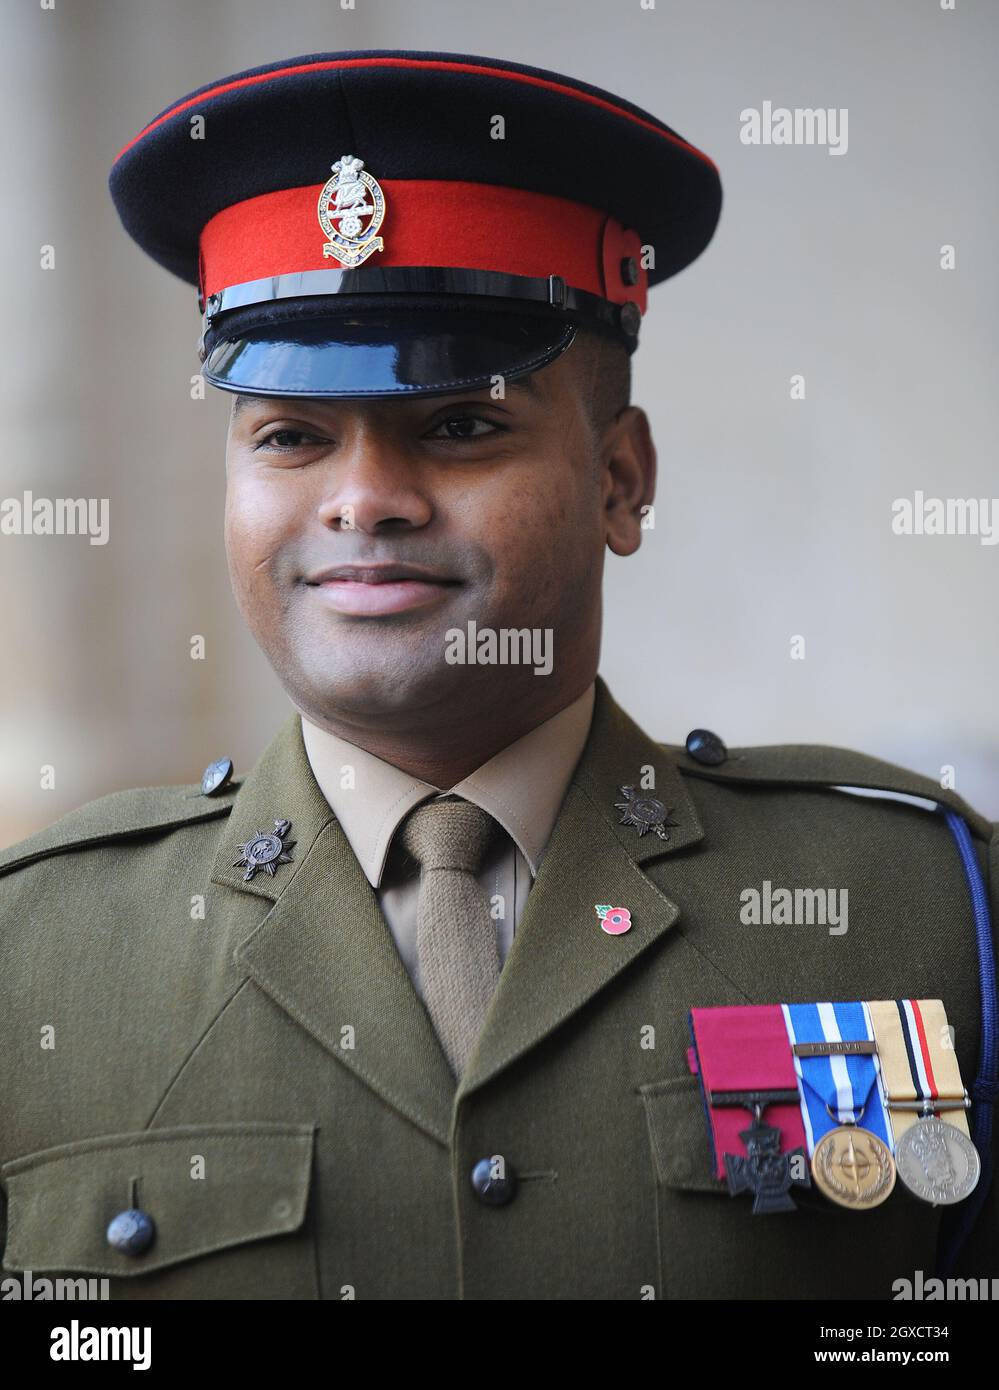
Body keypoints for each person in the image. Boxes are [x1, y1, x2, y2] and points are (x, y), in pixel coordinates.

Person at [0, 49, 995, 1301]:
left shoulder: (921, 904)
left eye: (462, 423)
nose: (364, 500)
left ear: (621, 480)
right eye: (293, 435)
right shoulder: (35, 957)